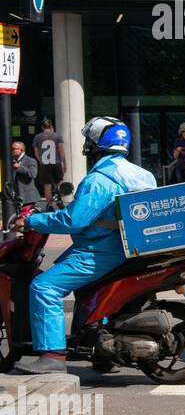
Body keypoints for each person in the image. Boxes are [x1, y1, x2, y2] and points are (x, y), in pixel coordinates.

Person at [8, 117, 156, 375]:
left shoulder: (100, 179)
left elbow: (74, 220)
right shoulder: (143, 174)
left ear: (96, 144)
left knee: (43, 287)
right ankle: (101, 352)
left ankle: (52, 356)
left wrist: (32, 220)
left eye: (89, 140)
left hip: (99, 251)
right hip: (127, 248)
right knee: (88, 290)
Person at [31, 118, 66, 206]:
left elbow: (36, 153)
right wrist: (64, 164)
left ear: (42, 127)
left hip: (44, 163)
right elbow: (61, 151)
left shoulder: (37, 137)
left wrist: (41, 160)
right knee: (58, 183)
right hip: (56, 162)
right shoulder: (57, 136)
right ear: (51, 126)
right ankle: (59, 200)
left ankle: (50, 205)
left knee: (47, 185)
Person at [9, 140, 41, 206]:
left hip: (27, 197)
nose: (12, 150)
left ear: (21, 150)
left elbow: (33, 174)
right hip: (14, 197)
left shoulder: (30, 160)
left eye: (14, 149)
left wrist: (19, 167)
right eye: (11, 148)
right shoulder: (9, 160)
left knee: (27, 216)